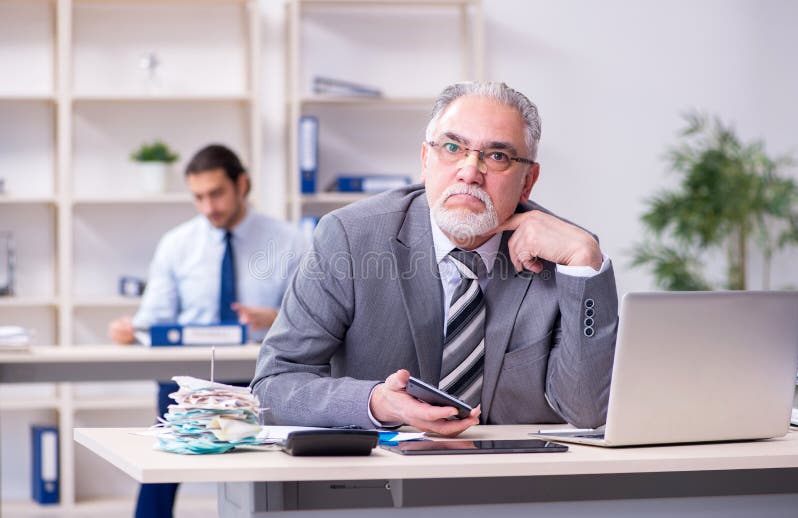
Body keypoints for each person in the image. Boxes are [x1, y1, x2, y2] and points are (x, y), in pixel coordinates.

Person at [252, 81, 618, 438]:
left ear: (528, 181)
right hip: (378, 483)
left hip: (520, 484)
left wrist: (585, 262)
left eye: (497, 156)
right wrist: (378, 402)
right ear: (426, 160)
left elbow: (587, 411)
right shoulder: (349, 238)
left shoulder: (566, 256)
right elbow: (274, 385)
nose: (470, 171)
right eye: (452, 147)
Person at [108, 144, 307, 518]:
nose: (208, 207)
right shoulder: (177, 244)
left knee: (268, 471)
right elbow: (153, 318)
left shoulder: (290, 241)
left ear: (241, 184)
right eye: (198, 197)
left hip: (259, 376)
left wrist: (273, 318)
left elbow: (312, 319)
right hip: (190, 381)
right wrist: (130, 329)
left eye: (216, 194)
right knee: (160, 467)